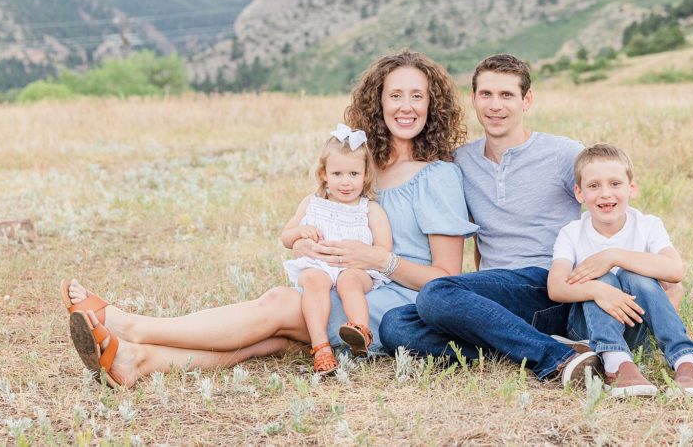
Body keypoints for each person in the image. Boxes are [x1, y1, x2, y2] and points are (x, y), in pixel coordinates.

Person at [61, 50, 476, 387]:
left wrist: (375, 259)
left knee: (278, 305)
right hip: (336, 281)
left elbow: (446, 281)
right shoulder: (360, 167)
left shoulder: (438, 176)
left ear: (431, 104)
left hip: (393, 306)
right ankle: (139, 361)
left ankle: (131, 325)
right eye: (396, 95)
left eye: (417, 96)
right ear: (379, 101)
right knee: (270, 339)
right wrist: (304, 241)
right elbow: (317, 218)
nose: (406, 107)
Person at [381, 54, 616, 385]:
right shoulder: (461, 162)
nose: (495, 105)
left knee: (436, 293)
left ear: (526, 100)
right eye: (486, 95)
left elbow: (611, 202)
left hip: (550, 284)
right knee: (394, 325)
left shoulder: (562, 154)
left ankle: (557, 359)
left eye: (507, 95)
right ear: (474, 98)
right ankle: (534, 346)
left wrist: (635, 267)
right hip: (494, 296)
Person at [548, 143, 693, 396]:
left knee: (634, 273)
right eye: (594, 186)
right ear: (579, 193)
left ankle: (685, 359)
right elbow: (555, 287)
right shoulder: (571, 233)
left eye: (615, 184)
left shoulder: (647, 225)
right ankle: (616, 363)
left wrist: (614, 256)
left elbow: (675, 270)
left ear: (631, 188)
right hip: (588, 329)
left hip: (637, 327)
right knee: (599, 277)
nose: (605, 193)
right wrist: (599, 289)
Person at [281, 125, 393, 374]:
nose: (345, 182)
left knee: (349, 282)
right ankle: (321, 347)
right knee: (312, 281)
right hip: (320, 265)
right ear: (324, 174)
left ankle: (360, 332)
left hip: (355, 266)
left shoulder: (369, 209)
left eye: (353, 174)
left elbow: (384, 247)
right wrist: (302, 232)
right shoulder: (313, 203)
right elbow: (286, 237)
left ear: (365, 175)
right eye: (338, 173)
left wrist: (363, 255)